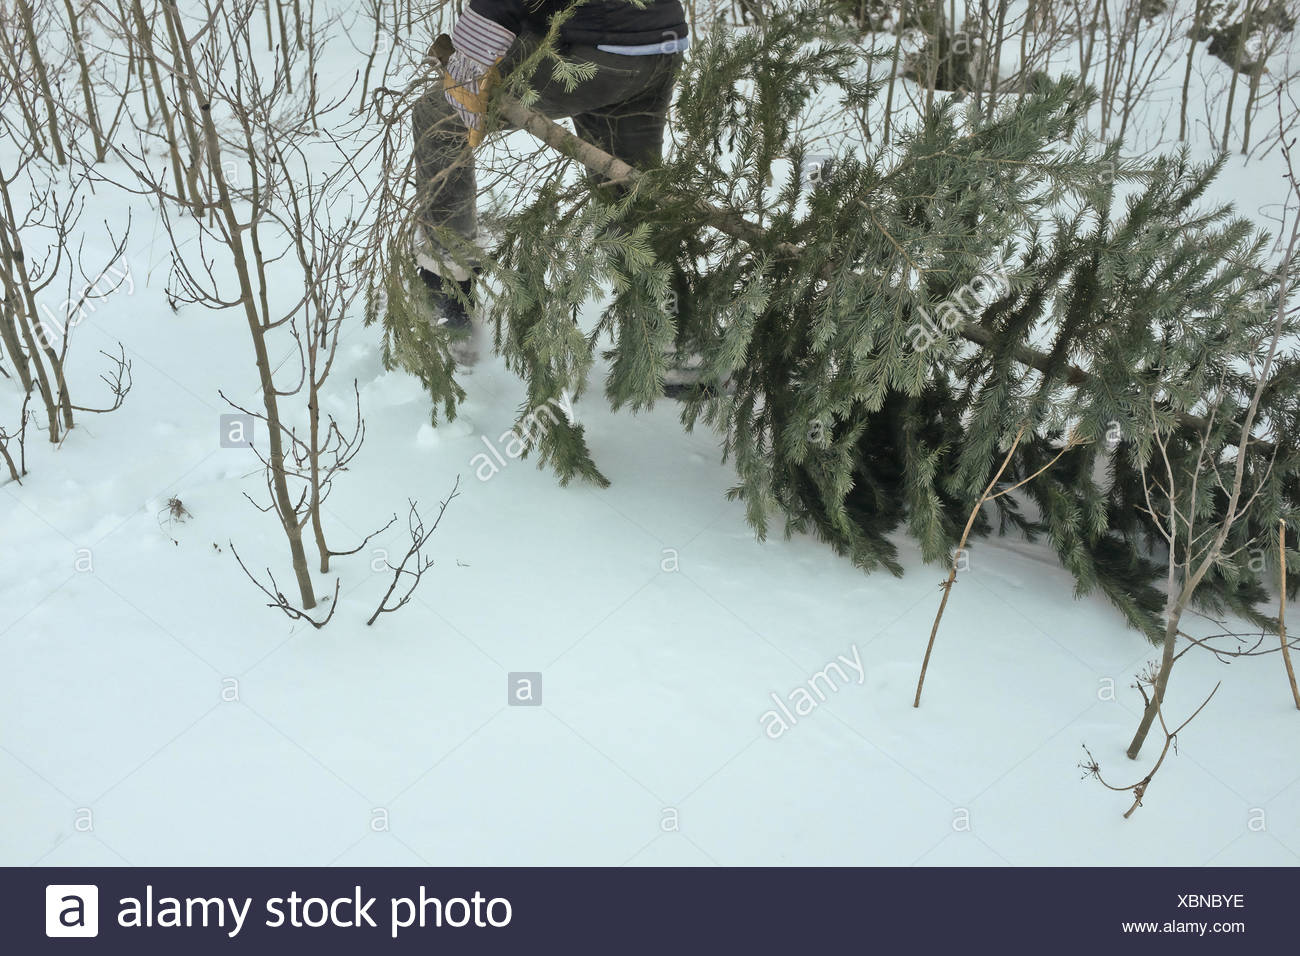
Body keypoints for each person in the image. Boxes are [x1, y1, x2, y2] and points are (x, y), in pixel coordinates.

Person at [410, 0, 690, 361]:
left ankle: (448, 295)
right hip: (657, 45)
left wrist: (475, 44)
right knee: (625, 186)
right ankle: (671, 342)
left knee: (439, 117)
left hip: (598, 52)